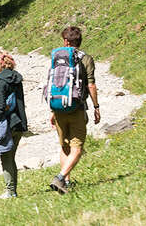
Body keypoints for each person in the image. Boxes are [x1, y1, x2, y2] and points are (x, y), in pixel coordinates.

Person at [48, 25, 100, 194]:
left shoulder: (57, 56)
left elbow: (54, 84)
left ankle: (66, 182)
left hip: (58, 107)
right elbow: (90, 84)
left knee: (64, 146)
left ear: (65, 41)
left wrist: (52, 110)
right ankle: (61, 177)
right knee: (77, 148)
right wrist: (96, 107)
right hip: (76, 108)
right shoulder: (86, 59)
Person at [0, 49, 28, 198]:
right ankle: (12, 190)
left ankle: (10, 192)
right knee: (11, 157)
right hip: (19, 122)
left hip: (7, 124)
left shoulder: (0, 82)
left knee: (6, 158)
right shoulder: (16, 77)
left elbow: (0, 107)